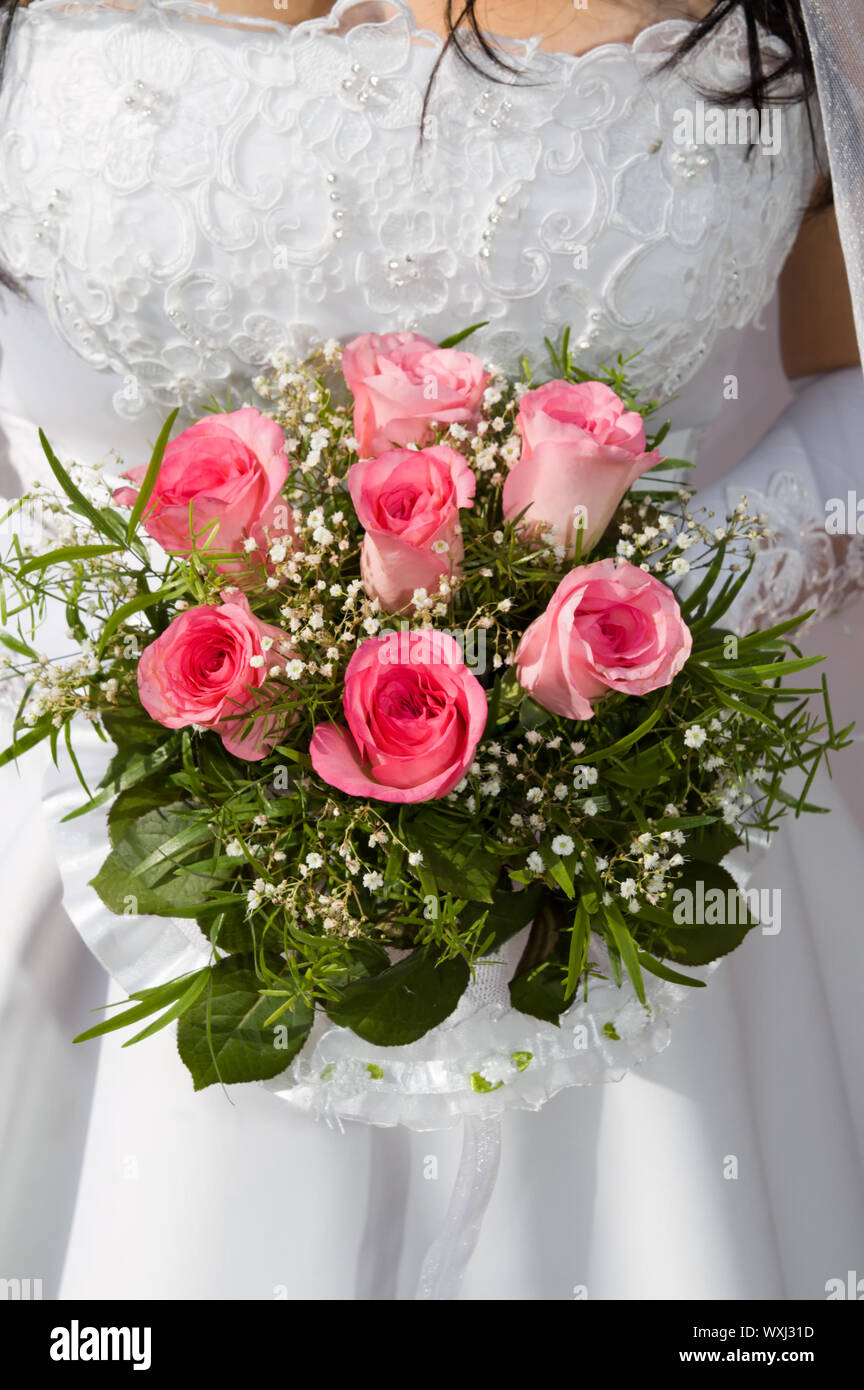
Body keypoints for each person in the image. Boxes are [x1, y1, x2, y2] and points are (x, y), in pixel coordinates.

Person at [0, 0, 862, 1299]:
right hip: (105, 840)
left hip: (645, 856)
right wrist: (102, 609)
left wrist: (657, 617)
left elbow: (846, 366)